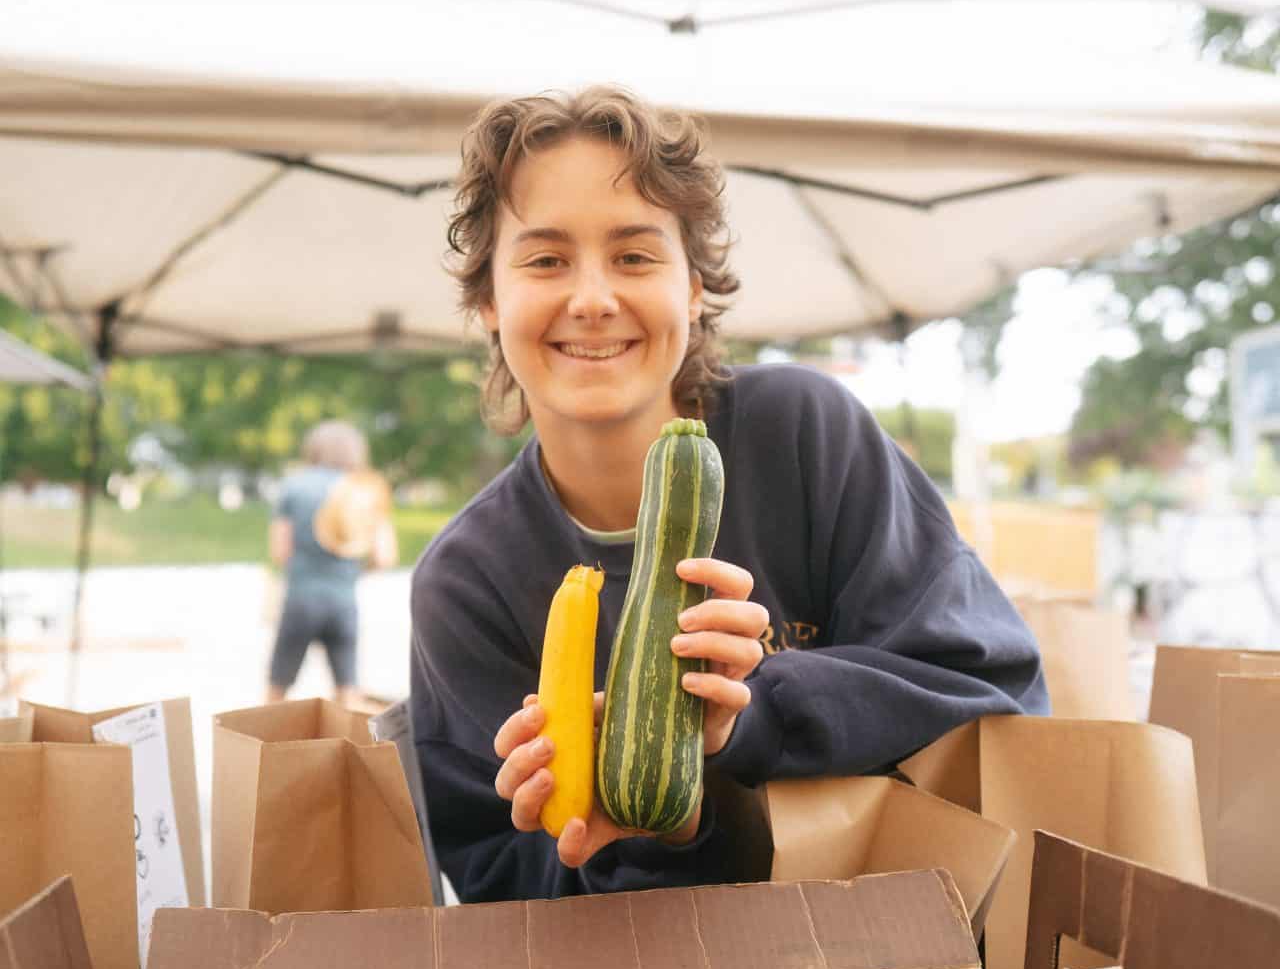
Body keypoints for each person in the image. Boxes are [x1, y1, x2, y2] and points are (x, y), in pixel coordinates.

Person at [409, 87, 1047, 904]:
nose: (594, 297)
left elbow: (995, 684)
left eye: (636, 255)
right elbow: (496, 881)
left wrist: (751, 717)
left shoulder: (805, 435)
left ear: (694, 289)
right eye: (545, 259)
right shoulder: (467, 581)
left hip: (894, 960)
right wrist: (658, 831)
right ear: (488, 302)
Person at [267, 419, 397, 710]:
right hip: (343, 601)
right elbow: (385, 556)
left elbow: (280, 551)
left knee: (277, 689)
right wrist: (350, 573)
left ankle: (255, 752)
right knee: (349, 695)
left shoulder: (294, 487)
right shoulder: (363, 491)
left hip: (300, 598)